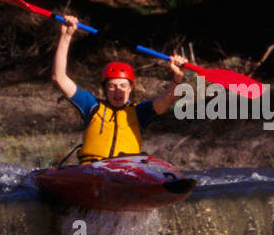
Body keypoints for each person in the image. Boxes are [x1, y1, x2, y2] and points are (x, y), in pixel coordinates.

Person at [53, 16, 186, 163]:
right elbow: (59, 78)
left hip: (126, 171)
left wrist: (177, 78)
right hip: (92, 169)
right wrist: (66, 36)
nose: (118, 91)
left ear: (130, 88)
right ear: (105, 89)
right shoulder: (91, 105)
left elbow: (167, 100)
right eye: (112, 86)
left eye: (123, 86)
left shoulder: (140, 112)